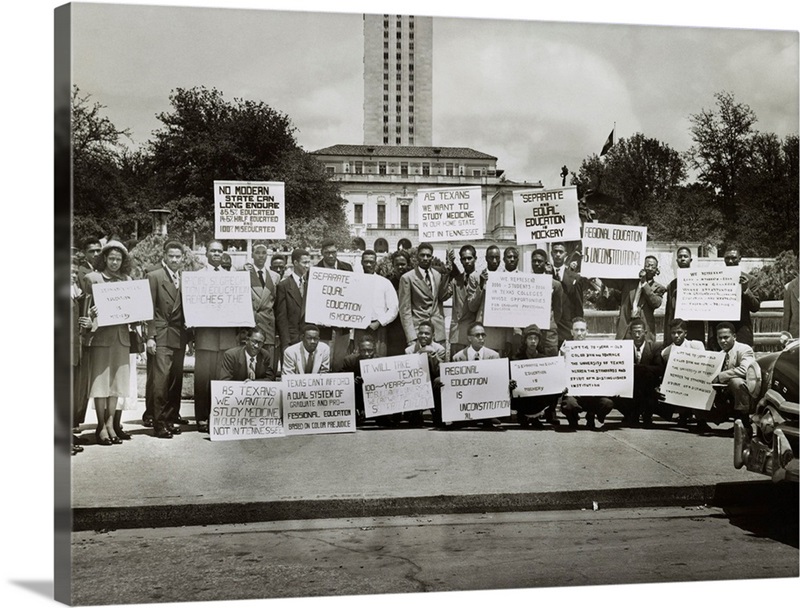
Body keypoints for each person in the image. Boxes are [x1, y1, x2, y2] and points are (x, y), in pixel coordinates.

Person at [83, 240, 136, 445]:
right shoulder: (93, 279)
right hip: (101, 338)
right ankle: (101, 426)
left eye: (118, 259)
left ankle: (112, 423)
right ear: (104, 258)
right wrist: (91, 313)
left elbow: (133, 308)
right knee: (101, 384)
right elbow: (83, 307)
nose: (114, 262)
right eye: (111, 258)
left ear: (123, 261)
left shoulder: (128, 280)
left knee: (117, 384)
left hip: (121, 338)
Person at [192, 240, 240, 435]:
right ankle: (202, 417)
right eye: (213, 251)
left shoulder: (232, 278)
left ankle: (219, 415)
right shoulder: (197, 277)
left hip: (227, 337)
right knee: (203, 379)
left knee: (223, 378)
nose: (216, 254)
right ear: (206, 253)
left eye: (219, 251)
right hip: (206, 336)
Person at [146, 240, 190, 439]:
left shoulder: (185, 278)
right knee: (161, 381)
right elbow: (148, 309)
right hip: (162, 334)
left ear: (182, 259)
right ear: (164, 256)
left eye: (177, 257)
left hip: (179, 335)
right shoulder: (154, 277)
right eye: (170, 256)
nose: (174, 260)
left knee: (175, 380)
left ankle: (171, 418)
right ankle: (159, 422)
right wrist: (150, 337)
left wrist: (190, 337)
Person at [559, 317, 614, 431]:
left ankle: (592, 414)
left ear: (587, 331)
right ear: (571, 332)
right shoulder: (564, 349)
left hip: (592, 394)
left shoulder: (595, 350)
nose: (579, 333)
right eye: (576, 330)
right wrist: (563, 357)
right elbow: (559, 373)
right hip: (574, 394)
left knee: (607, 403)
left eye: (582, 330)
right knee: (569, 405)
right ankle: (573, 417)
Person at [398, 242, 452, 349]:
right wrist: (411, 337)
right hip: (419, 332)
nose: (425, 258)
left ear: (432, 257)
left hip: (438, 331)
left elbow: (441, 297)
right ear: (417, 256)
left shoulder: (438, 275)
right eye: (422, 255)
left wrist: (447, 275)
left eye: (428, 255)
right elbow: (405, 311)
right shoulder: (407, 278)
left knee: (438, 364)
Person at [451, 322, 503, 429]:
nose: (481, 338)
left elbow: (497, 380)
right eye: (477, 335)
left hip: (486, 396)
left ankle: (488, 417)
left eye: (483, 335)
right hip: (466, 396)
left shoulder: (494, 356)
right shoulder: (458, 357)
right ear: (469, 338)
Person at [708, 246, 760, 349]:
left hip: (741, 332)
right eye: (727, 258)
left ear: (740, 258)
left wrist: (746, 290)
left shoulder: (750, 280)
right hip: (719, 333)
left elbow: (755, 307)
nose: (730, 261)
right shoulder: (714, 279)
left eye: (733, 258)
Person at [509, 324, 560, 428]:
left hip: (539, 396)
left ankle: (538, 416)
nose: (533, 341)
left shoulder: (545, 360)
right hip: (522, 398)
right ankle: (522, 415)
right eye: (530, 338)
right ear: (525, 341)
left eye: (535, 338)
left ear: (539, 341)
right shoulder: (516, 360)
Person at [660, 318, 707, 430]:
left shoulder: (696, 346)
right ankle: (683, 415)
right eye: (673, 333)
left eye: (679, 332)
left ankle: (701, 419)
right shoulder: (666, 352)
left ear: (685, 333)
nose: (676, 336)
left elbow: (704, 366)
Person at [606, 255, 666, 343]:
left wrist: (644, 283)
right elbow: (611, 282)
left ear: (657, 271)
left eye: (652, 267)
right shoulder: (628, 283)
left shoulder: (659, 288)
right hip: (626, 328)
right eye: (647, 265)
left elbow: (655, 303)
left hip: (644, 330)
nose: (649, 268)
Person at [615, 318, 663, 427]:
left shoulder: (654, 347)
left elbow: (659, 369)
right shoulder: (623, 348)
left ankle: (647, 415)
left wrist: (638, 368)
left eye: (639, 332)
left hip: (648, 388)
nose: (637, 335)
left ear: (645, 333)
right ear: (630, 333)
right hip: (629, 387)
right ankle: (630, 414)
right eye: (634, 332)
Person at [315, 238, 354, 371]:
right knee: (324, 362)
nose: (331, 255)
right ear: (322, 253)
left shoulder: (347, 268)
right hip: (324, 327)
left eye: (333, 252)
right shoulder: (315, 271)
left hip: (343, 327)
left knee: (339, 362)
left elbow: (351, 294)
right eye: (327, 253)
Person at [467, 244, 512, 356]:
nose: (494, 260)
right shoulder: (475, 277)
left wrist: (508, 339)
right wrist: (481, 286)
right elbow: (472, 307)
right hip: (483, 331)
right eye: (491, 257)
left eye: (497, 257)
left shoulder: (507, 278)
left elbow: (511, 312)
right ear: (486, 258)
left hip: (500, 332)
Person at [244, 243, 281, 376]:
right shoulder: (244, 274)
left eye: (263, 253)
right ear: (252, 255)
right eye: (257, 252)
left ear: (267, 255)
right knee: (249, 365)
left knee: (267, 366)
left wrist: (277, 332)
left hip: (268, 326)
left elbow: (277, 305)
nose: (260, 256)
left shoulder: (275, 277)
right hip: (251, 325)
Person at [354, 249, 398, 357]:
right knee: (358, 357)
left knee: (378, 358)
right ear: (361, 262)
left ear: (375, 262)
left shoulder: (384, 283)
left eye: (371, 262)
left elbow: (394, 308)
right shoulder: (354, 281)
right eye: (366, 261)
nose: (368, 264)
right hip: (360, 328)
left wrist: (379, 322)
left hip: (378, 328)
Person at [712, 321, 756, 426]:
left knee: (736, 382)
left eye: (726, 337)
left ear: (734, 336)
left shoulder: (744, 349)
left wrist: (720, 376)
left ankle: (744, 421)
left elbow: (745, 369)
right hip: (725, 393)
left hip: (746, 392)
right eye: (720, 338)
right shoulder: (719, 355)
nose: (722, 341)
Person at [551, 242, 594, 346]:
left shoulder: (575, 278)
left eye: (560, 252)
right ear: (551, 253)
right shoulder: (545, 274)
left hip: (567, 328)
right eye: (555, 251)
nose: (557, 254)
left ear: (565, 254)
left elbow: (578, 305)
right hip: (549, 327)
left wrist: (578, 328)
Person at [404, 319, 445, 426]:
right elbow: (407, 372)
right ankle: (415, 413)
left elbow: (439, 371)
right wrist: (418, 354)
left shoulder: (440, 349)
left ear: (433, 335)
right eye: (421, 333)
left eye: (427, 333)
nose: (423, 336)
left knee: (439, 381)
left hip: (432, 379)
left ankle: (438, 414)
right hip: (417, 380)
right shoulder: (409, 350)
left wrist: (433, 356)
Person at [71, 263, 93, 453]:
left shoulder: (75, 291)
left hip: (76, 349)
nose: (71, 275)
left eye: (73, 272)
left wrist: (88, 321)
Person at [663, 246, 706, 344]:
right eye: (680, 256)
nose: (682, 258)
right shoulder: (672, 285)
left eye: (685, 256)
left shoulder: (700, 280)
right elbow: (669, 312)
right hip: (678, 329)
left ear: (690, 260)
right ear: (677, 260)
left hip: (695, 327)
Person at [275, 248, 311, 357]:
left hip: (308, 340)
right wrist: (286, 343)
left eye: (308, 262)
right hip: (292, 340)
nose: (307, 266)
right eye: (304, 262)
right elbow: (282, 318)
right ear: (295, 263)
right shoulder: (284, 286)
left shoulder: (311, 285)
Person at [529, 248, 564, 356]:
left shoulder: (555, 284)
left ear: (545, 263)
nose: (536, 264)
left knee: (550, 361)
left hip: (549, 333)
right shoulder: (525, 282)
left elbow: (558, 309)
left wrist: (550, 322)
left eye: (539, 261)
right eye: (534, 261)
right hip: (531, 331)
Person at [447, 245, 478, 360]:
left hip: (474, 333)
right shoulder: (456, 280)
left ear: (475, 258)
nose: (467, 261)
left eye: (470, 258)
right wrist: (447, 271)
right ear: (460, 260)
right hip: (457, 333)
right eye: (464, 259)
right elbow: (444, 295)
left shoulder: (482, 279)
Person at [341, 335, 378, 426]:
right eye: (363, 350)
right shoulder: (349, 361)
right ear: (358, 349)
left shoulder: (381, 361)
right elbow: (340, 380)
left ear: (374, 349)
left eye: (369, 350)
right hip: (357, 395)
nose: (366, 354)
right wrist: (351, 380)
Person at [386, 250, 412, 356]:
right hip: (393, 327)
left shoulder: (414, 280)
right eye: (397, 265)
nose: (400, 267)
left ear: (408, 264)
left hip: (410, 325)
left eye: (403, 264)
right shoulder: (388, 282)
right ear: (393, 265)